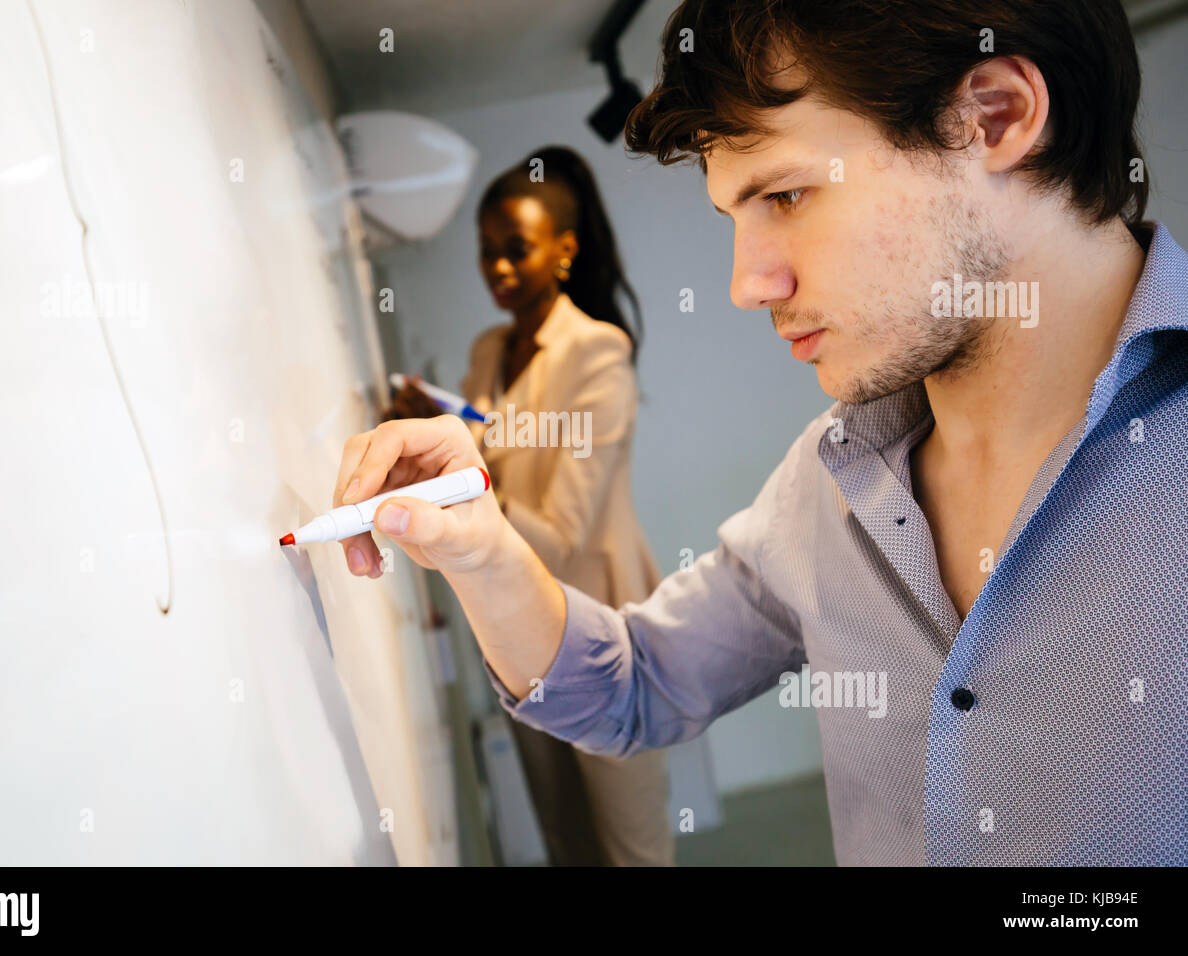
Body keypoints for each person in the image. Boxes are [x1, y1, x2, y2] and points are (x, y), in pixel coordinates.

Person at [333, 0, 1188, 865]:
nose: (747, 283)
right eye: (736, 216)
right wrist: (481, 548)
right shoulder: (832, 477)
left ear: (993, 117)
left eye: (786, 193)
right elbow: (634, 686)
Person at [388, 146, 675, 866]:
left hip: (608, 630)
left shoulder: (597, 352)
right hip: (514, 625)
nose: (498, 270)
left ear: (564, 249)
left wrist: (464, 467)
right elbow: (482, 442)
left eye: (516, 249)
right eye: (486, 253)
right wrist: (431, 428)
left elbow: (564, 533)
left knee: (628, 842)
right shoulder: (489, 350)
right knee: (565, 838)